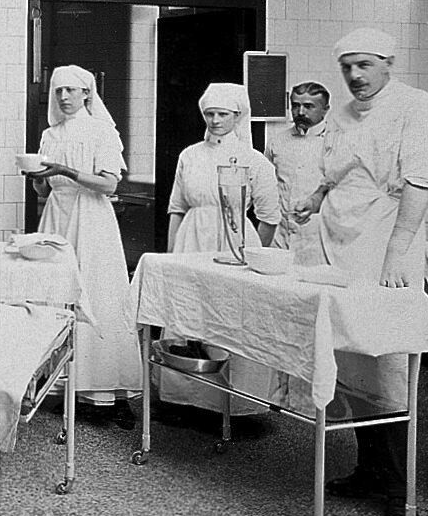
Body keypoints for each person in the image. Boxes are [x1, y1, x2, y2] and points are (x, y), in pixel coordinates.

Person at [294, 28, 428, 516]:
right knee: (353, 359)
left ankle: (401, 494)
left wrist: (398, 252)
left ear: (388, 63)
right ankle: (368, 469)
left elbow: (420, 184)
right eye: (347, 67)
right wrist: (315, 198)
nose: (355, 76)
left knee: (389, 364)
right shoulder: (341, 114)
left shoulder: (416, 108)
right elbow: (335, 171)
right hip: (342, 245)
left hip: (386, 246)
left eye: (365, 65)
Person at [22, 65, 138, 426]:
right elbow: (45, 189)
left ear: (87, 93)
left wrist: (66, 171)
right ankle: (62, 386)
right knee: (56, 295)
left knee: (98, 294)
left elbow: (109, 185)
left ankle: (108, 390)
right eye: (58, 91)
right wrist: (38, 179)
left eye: (71, 90)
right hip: (57, 218)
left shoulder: (101, 131)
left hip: (91, 221)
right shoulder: (50, 135)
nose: (64, 97)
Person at [160, 82, 282, 417]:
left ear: (237, 116)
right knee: (189, 318)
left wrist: (252, 256)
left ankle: (235, 406)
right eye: (209, 114)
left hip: (234, 244)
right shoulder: (189, 155)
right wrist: (172, 256)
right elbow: (177, 208)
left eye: (222, 114)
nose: (215, 120)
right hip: (191, 242)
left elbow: (270, 217)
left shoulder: (253, 161)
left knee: (231, 321)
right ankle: (184, 400)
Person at [265, 81, 331, 257]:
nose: (300, 112)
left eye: (309, 106)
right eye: (295, 106)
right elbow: (266, 187)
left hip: (320, 239)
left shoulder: (338, 142)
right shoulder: (277, 142)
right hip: (280, 237)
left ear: (325, 109)